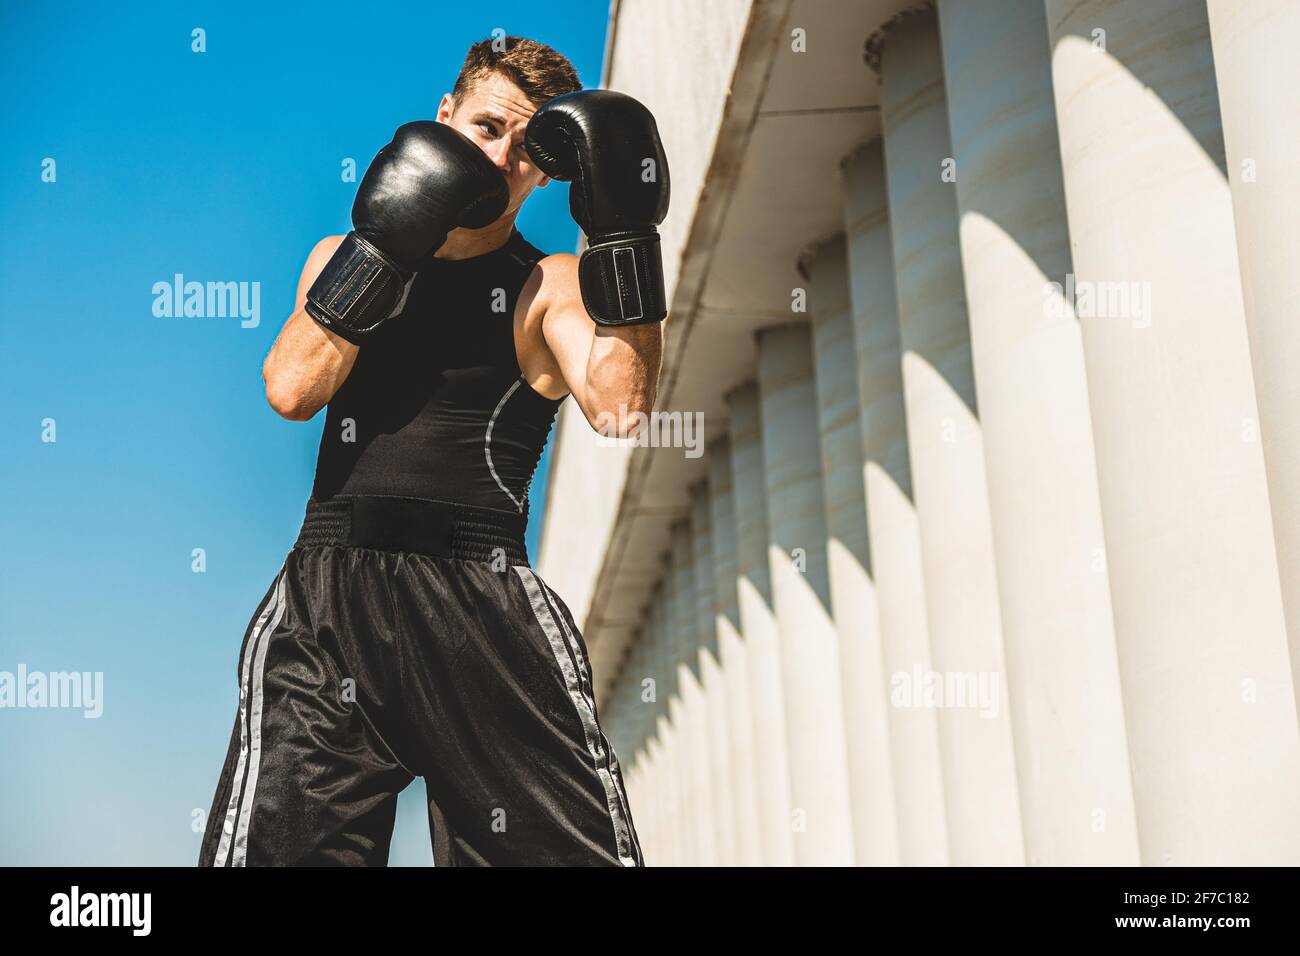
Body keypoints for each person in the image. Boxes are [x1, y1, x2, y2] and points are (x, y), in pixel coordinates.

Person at [197, 35, 669, 867]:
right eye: (487, 128)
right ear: (444, 117)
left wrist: (624, 234)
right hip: (329, 598)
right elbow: (290, 389)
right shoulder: (340, 258)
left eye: (527, 151)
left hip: (481, 605)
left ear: (553, 175)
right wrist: (384, 246)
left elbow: (623, 405)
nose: (500, 159)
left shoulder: (549, 283)